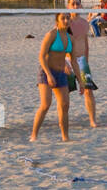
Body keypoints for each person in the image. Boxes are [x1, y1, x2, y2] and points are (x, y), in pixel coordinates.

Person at [31, 12, 80, 142]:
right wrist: (48, 74)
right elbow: (41, 56)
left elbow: (74, 61)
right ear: (57, 21)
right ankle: (34, 135)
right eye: (63, 18)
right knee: (46, 105)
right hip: (46, 71)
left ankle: (65, 137)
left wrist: (81, 81)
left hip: (61, 74)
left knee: (65, 105)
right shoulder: (52, 35)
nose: (66, 20)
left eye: (68, 18)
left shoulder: (71, 38)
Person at [65, 0, 99, 128]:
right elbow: (60, 43)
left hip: (82, 61)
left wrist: (86, 62)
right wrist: (65, 62)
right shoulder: (65, 22)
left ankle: (92, 120)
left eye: (77, 4)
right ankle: (64, 120)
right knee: (65, 92)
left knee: (88, 90)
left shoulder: (85, 23)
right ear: (68, 6)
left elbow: (85, 43)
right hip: (68, 60)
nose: (75, 6)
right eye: (72, 4)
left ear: (81, 6)